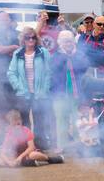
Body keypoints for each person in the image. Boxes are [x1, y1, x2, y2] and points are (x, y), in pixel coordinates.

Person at [6, 28, 63, 160]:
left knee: (40, 121)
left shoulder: (43, 53)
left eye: (33, 37)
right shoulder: (18, 54)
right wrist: (19, 87)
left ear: (36, 39)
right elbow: (11, 73)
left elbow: (49, 72)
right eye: (27, 37)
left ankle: (39, 146)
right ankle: (25, 147)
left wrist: (45, 89)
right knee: (25, 122)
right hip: (24, 93)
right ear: (23, 39)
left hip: (40, 93)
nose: (30, 40)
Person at [0, 11, 21, 117]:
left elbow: (24, 50)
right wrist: (14, 48)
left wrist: (5, 50)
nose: (4, 22)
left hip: (18, 79)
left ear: (10, 20)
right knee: (2, 112)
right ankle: (3, 134)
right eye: (1, 20)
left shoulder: (20, 34)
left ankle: (22, 133)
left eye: (6, 19)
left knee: (20, 111)